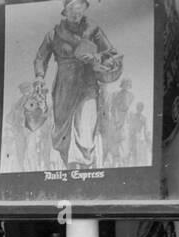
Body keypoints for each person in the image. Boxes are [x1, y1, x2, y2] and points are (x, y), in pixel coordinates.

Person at [32, 0, 122, 170]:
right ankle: (71, 170)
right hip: (64, 87)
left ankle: (85, 169)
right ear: (65, 11)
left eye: (80, 10)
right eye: (73, 10)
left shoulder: (93, 30)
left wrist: (96, 58)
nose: (77, 14)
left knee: (85, 127)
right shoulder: (54, 34)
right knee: (61, 135)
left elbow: (112, 54)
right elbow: (40, 58)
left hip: (87, 82)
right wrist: (39, 77)